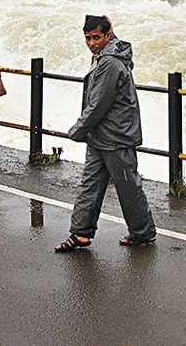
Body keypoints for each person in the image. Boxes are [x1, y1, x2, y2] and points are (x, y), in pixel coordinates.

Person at [56, 15, 156, 252]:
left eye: (96, 37)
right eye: (88, 38)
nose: (91, 43)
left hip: (116, 136)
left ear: (107, 36)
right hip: (102, 135)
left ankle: (142, 232)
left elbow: (99, 104)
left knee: (128, 187)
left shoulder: (110, 63)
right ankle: (80, 233)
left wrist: (77, 130)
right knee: (90, 184)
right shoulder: (111, 53)